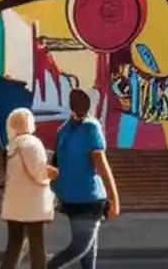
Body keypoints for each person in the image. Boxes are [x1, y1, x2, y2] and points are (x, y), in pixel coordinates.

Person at [48, 89, 120, 269]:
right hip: (88, 197)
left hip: (69, 198)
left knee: (88, 251)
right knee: (80, 246)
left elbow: (57, 162)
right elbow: (100, 163)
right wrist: (114, 198)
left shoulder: (64, 128)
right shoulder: (91, 127)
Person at [0, 108, 57, 269]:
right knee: (37, 246)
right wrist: (52, 173)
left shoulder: (11, 147)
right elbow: (38, 173)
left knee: (14, 247)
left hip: (14, 205)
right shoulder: (32, 144)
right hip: (33, 205)